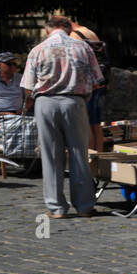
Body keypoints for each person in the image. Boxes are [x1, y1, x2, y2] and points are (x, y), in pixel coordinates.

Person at [20, 15, 105, 218]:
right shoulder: (84, 48)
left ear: (48, 30)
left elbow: (28, 87)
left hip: (45, 103)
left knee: (51, 156)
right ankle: (84, 206)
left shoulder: (37, 50)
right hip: (74, 103)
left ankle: (57, 208)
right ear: (68, 29)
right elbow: (97, 81)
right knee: (79, 154)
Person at [69, 23, 109, 151]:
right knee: (96, 124)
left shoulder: (74, 35)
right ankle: (99, 159)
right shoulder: (89, 32)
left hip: (88, 84)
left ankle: (90, 160)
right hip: (99, 81)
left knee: (87, 124)